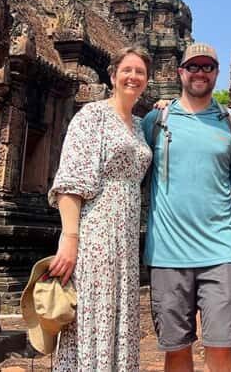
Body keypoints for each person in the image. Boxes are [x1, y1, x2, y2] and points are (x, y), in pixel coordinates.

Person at [47, 46, 153, 372]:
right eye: (127, 70)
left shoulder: (139, 125)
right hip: (97, 230)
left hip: (126, 233)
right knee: (93, 315)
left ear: (147, 81)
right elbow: (70, 179)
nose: (133, 77)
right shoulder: (92, 116)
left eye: (140, 72)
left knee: (120, 315)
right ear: (113, 75)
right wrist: (69, 236)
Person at [142, 42, 231, 372]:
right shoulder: (156, 120)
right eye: (193, 67)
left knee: (221, 347)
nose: (200, 73)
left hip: (221, 253)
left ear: (218, 74)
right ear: (180, 72)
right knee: (176, 349)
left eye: (207, 67)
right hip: (168, 254)